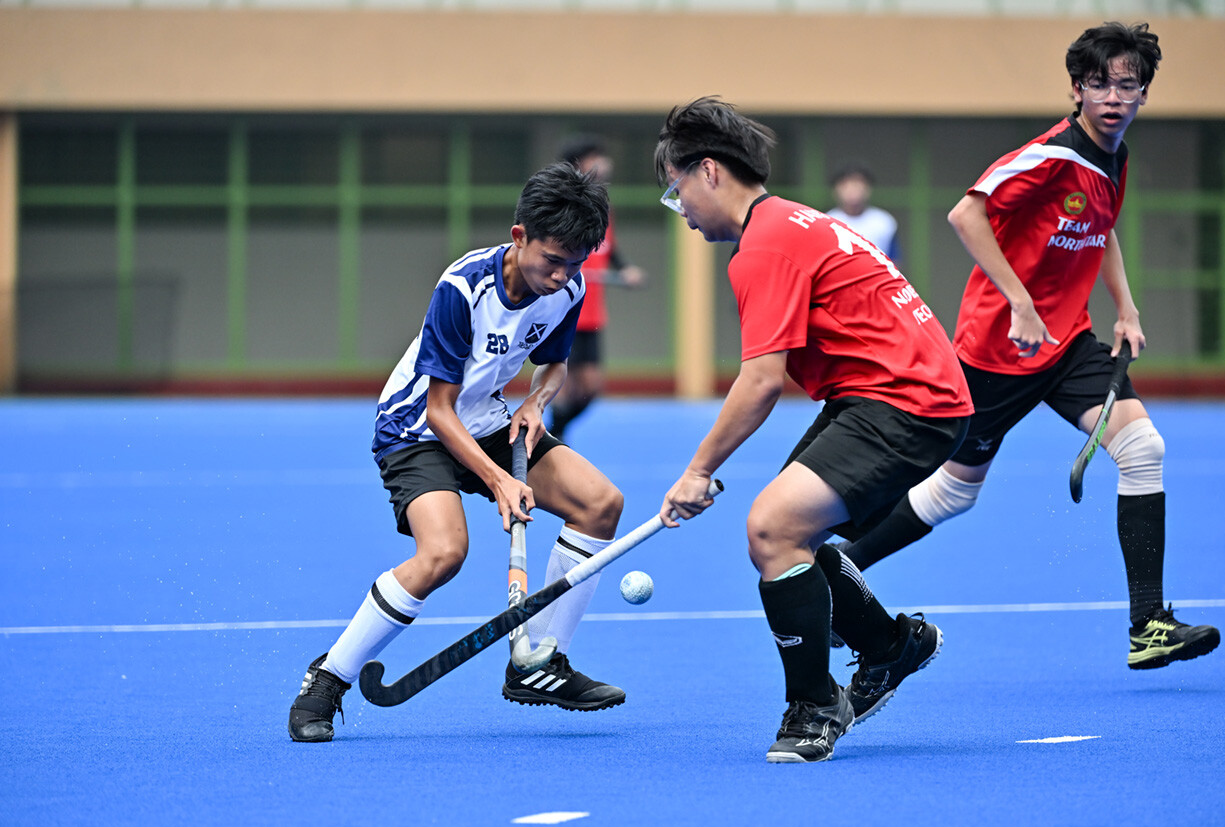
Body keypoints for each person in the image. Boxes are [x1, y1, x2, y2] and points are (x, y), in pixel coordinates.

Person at [835, 22, 1220, 671]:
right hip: (997, 352)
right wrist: (1018, 299)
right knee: (955, 493)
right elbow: (967, 214)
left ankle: (1147, 623)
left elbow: (1100, 228)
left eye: (1128, 84)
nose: (1114, 97)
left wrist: (1124, 306)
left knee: (1142, 448)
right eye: (1099, 83)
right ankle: (837, 566)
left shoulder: (1112, 157)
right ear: (1076, 89)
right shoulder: (1053, 154)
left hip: (1067, 343)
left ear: (1145, 94)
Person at [654, 97, 974, 763]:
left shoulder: (763, 245)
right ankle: (891, 645)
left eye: (675, 186)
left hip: (905, 401)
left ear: (708, 172)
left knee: (772, 528)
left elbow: (762, 380)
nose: (677, 207)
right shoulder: (794, 221)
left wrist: (696, 468)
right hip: (888, 395)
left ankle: (815, 704)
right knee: (793, 532)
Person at [288, 162, 627, 743]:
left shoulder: (568, 287)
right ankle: (327, 679)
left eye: (576, 262)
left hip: (490, 417)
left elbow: (555, 364)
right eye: (553, 259)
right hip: (417, 426)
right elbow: (440, 410)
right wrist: (499, 481)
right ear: (519, 237)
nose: (563, 275)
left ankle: (538, 662)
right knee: (444, 552)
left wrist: (537, 401)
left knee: (601, 503)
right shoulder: (465, 287)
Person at [550, 136, 646, 441]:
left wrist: (625, 268)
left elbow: (608, 248)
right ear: (579, 164)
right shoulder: (563, 205)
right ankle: (548, 438)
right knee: (562, 381)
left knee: (590, 387)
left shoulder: (605, 207)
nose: (604, 164)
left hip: (592, 314)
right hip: (565, 309)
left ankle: (553, 431)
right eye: (595, 157)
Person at [826, 163, 901, 267]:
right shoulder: (826, 221)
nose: (852, 189)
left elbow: (894, 262)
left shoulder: (884, 221)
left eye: (858, 184)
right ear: (835, 189)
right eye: (845, 184)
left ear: (868, 188)